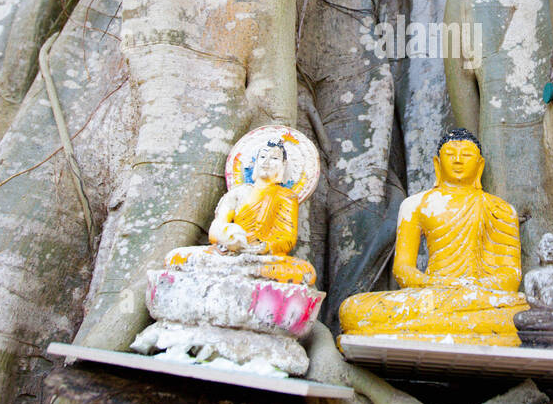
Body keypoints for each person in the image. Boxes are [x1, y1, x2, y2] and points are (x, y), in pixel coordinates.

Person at [339, 128, 527, 345]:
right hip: (430, 294)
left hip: (477, 296)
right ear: (437, 163)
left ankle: (422, 328)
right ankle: (462, 327)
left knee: (520, 312)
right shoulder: (415, 205)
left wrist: (472, 287)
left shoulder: (500, 209)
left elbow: (511, 276)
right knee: (353, 309)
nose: (458, 160)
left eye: (466, 155)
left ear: (480, 164)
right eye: (450, 155)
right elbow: (402, 269)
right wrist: (431, 283)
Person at [167, 140, 316, 285]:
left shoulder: (286, 197)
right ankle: (239, 268)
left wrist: (266, 247)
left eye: (274, 158)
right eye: (262, 157)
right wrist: (228, 235)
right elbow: (217, 227)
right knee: (176, 257)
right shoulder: (238, 192)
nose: (266, 162)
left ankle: (239, 270)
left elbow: (287, 238)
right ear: (255, 161)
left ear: (283, 165)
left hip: (262, 257)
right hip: (228, 252)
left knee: (304, 271)